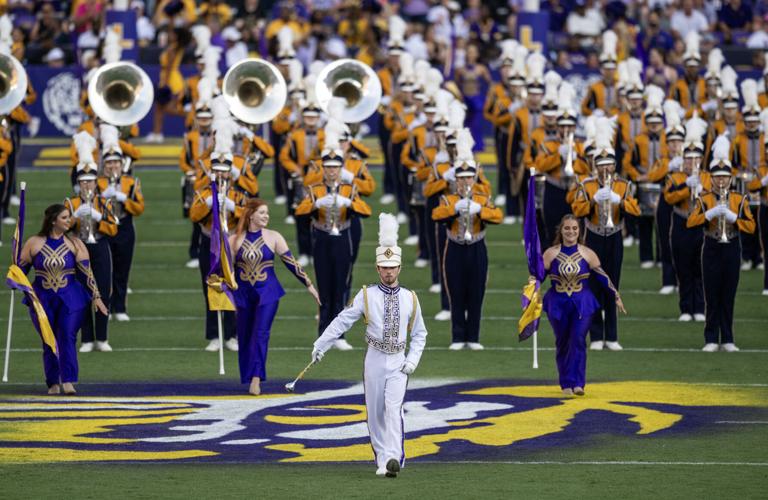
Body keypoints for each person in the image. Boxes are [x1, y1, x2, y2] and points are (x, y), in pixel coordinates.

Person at [310, 213, 427, 478]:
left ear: (400, 268)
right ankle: (382, 459)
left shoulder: (411, 298)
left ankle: (394, 458)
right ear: (378, 268)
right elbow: (342, 321)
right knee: (375, 413)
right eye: (384, 267)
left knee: (394, 409)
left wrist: (412, 360)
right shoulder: (366, 295)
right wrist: (322, 344)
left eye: (393, 267)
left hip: (398, 360)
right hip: (374, 358)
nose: (388, 272)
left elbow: (420, 334)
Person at [229, 199, 319, 395]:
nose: (266, 216)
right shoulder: (233, 240)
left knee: (261, 333)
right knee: (245, 335)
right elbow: (225, 270)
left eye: (267, 213)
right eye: (262, 213)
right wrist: (220, 284)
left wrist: (309, 285)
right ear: (250, 215)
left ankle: (256, 379)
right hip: (243, 294)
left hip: (268, 293)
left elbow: (291, 263)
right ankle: (248, 374)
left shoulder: (274, 237)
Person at [18, 204, 108, 394]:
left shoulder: (75, 243)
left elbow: (87, 274)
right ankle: (53, 382)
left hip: (71, 298)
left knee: (67, 335)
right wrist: (15, 275)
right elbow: (21, 271)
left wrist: (97, 298)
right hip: (42, 299)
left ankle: (68, 380)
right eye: (65, 217)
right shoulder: (33, 243)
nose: (69, 221)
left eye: (69, 217)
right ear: (53, 220)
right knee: (48, 339)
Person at [571, 118, 640, 351]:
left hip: (615, 236)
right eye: (600, 164)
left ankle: (612, 335)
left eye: (608, 164)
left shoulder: (623, 185)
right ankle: (596, 336)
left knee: (612, 284)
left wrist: (621, 202)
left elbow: (636, 209)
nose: (605, 169)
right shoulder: (587, 184)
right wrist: (592, 201)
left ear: (614, 165)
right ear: (595, 166)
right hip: (592, 237)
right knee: (591, 285)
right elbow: (576, 209)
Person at [432, 130, 502, 350]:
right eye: (460, 178)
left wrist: (480, 210)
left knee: (476, 290)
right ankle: (457, 336)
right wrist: (454, 209)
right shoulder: (448, 198)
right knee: (456, 290)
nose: (464, 182)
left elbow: (498, 215)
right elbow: (436, 214)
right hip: (454, 246)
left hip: (477, 247)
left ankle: (473, 337)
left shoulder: (483, 198)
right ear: (456, 180)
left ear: (474, 177)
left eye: (468, 178)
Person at [295, 145, 371, 348]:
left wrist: (350, 203)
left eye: (335, 167)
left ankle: (339, 336)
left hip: (343, 238)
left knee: (341, 287)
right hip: (321, 237)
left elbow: (366, 210)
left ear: (340, 168)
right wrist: (315, 204)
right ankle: (323, 334)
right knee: (324, 287)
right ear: (322, 168)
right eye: (327, 167)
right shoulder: (315, 190)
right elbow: (300, 211)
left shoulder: (350, 189)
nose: (331, 171)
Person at [542, 214, 626, 397]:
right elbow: (538, 276)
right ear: (561, 231)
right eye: (567, 228)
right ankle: (565, 384)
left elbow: (602, 277)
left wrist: (615, 295)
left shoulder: (588, 253)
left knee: (578, 339)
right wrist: (531, 289)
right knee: (563, 342)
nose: (571, 232)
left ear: (579, 231)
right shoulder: (550, 253)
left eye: (574, 228)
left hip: (583, 303)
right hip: (557, 303)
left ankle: (578, 383)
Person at [687, 135, 756, 352]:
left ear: (730, 178)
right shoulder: (704, 198)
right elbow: (691, 222)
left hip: (732, 246)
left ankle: (727, 338)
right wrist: (709, 214)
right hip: (712, 246)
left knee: (728, 293)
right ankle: (710, 338)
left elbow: (751, 227)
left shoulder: (739, 199)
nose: (721, 181)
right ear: (712, 178)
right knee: (712, 293)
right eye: (717, 177)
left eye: (724, 177)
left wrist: (735, 218)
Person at [97, 133, 145, 322]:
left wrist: (125, 200)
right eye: (109, 163)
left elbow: (140, 208)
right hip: (103, 227)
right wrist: (103, 198)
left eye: (116, 162)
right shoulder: (98, 183)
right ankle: (105, 307)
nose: (112, 166)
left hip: (125, 226)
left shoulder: (131, 182)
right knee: (104, 270)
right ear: (104, 165)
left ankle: (120, 308)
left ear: (121, 163)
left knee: (122, 268)